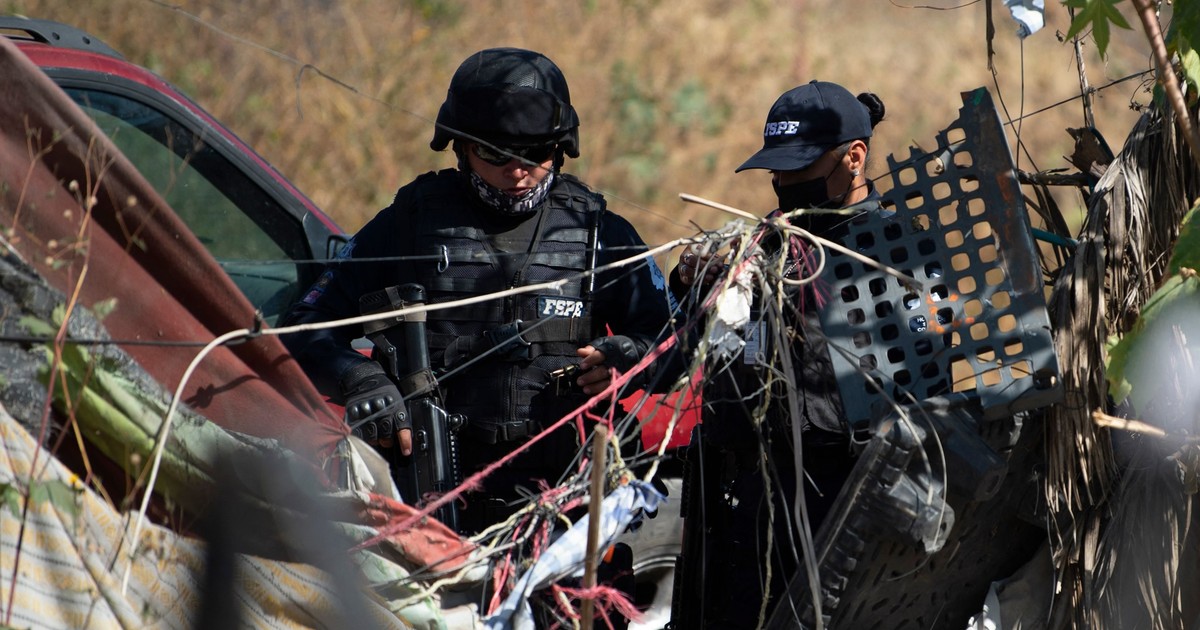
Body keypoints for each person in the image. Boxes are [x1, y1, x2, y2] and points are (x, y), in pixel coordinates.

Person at [280, 47, 675, 537]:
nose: (518, 170)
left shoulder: (599, 232)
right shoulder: (410, 223)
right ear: (461, 148)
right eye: (495, 153)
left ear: (561, 148)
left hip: (562, 516)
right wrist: (360, 380)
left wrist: (632, 358)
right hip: (427, 508)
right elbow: (303, 328)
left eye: (536, 152)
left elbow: (678, 343)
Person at [669, 80, 887, 627]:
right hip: (747, 509)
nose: (785, 185)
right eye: (777, 172)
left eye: (800, 169)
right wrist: (696, 287)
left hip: (845, 509)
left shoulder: (896, 253)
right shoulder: (762, 247)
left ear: (854, 158)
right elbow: (693, 357)